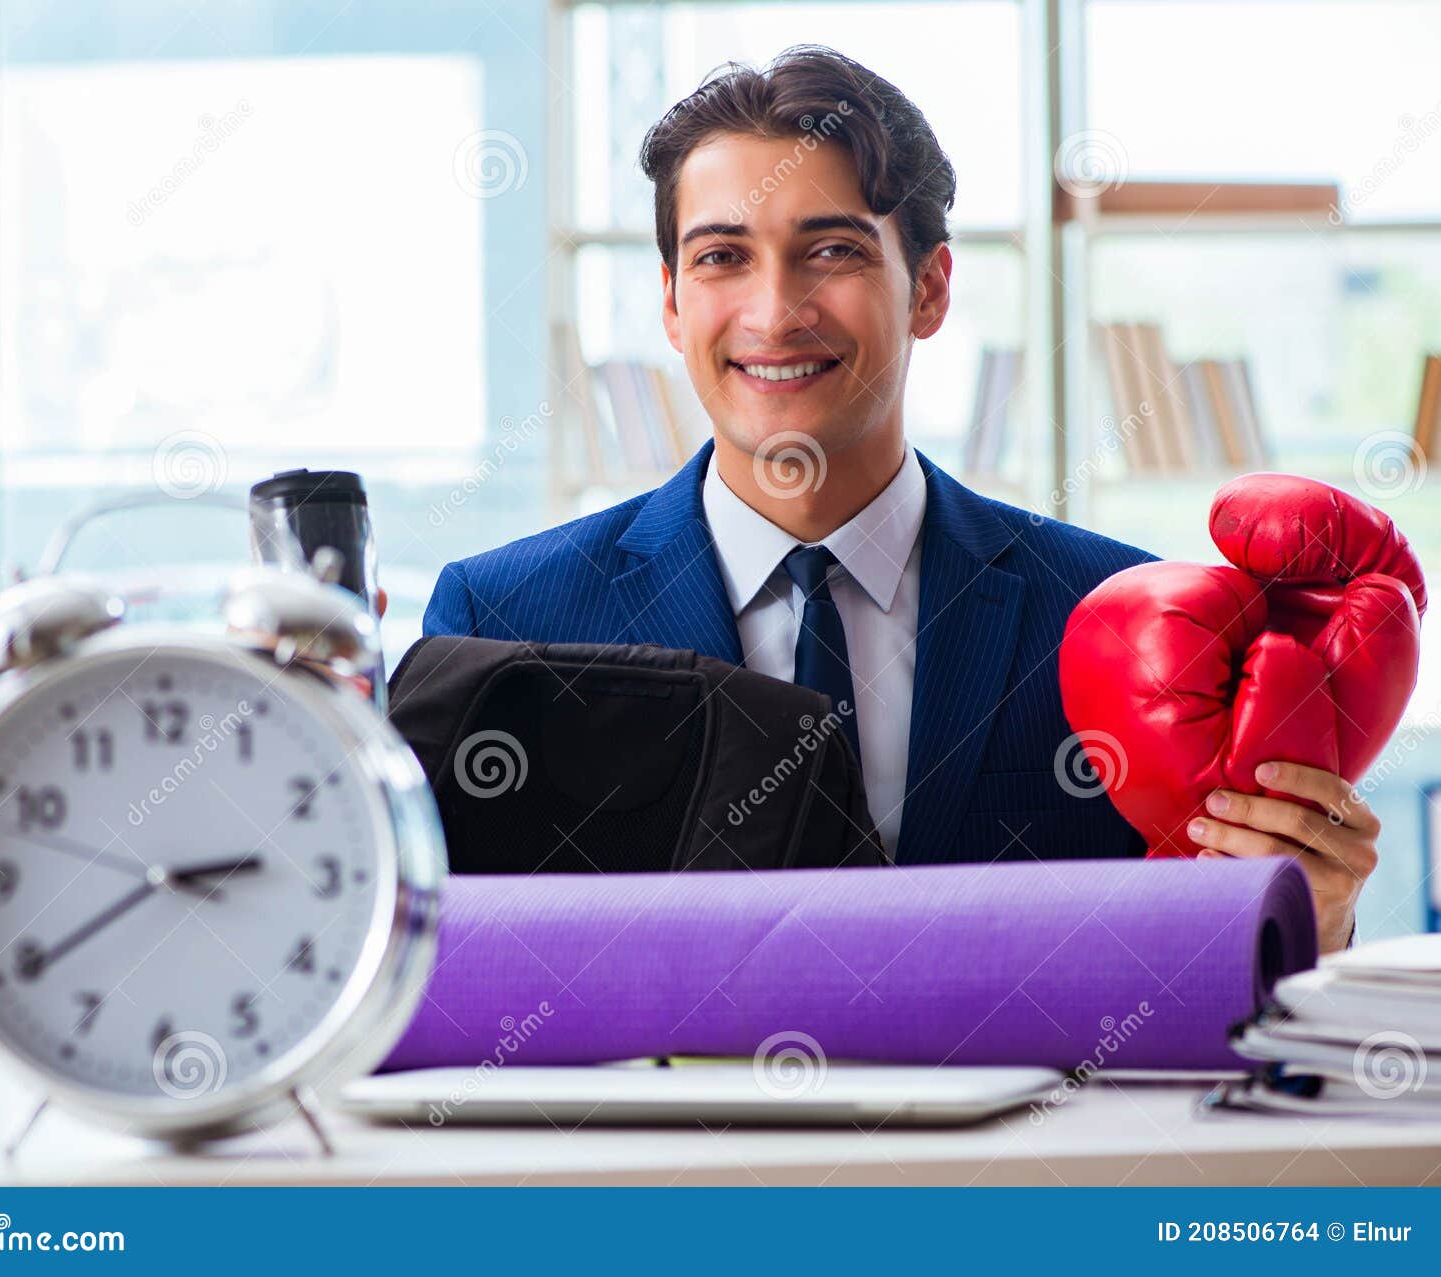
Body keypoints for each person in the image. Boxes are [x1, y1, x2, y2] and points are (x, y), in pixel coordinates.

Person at [422, 45, 1375, 951]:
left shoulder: (1118, 619)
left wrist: (1309, 916)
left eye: (831, 250)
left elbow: (1200, 971)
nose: (774, 312)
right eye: (722, 258)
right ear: (671, 302)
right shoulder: (504, 620)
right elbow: (445, 979)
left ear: (928, 288)